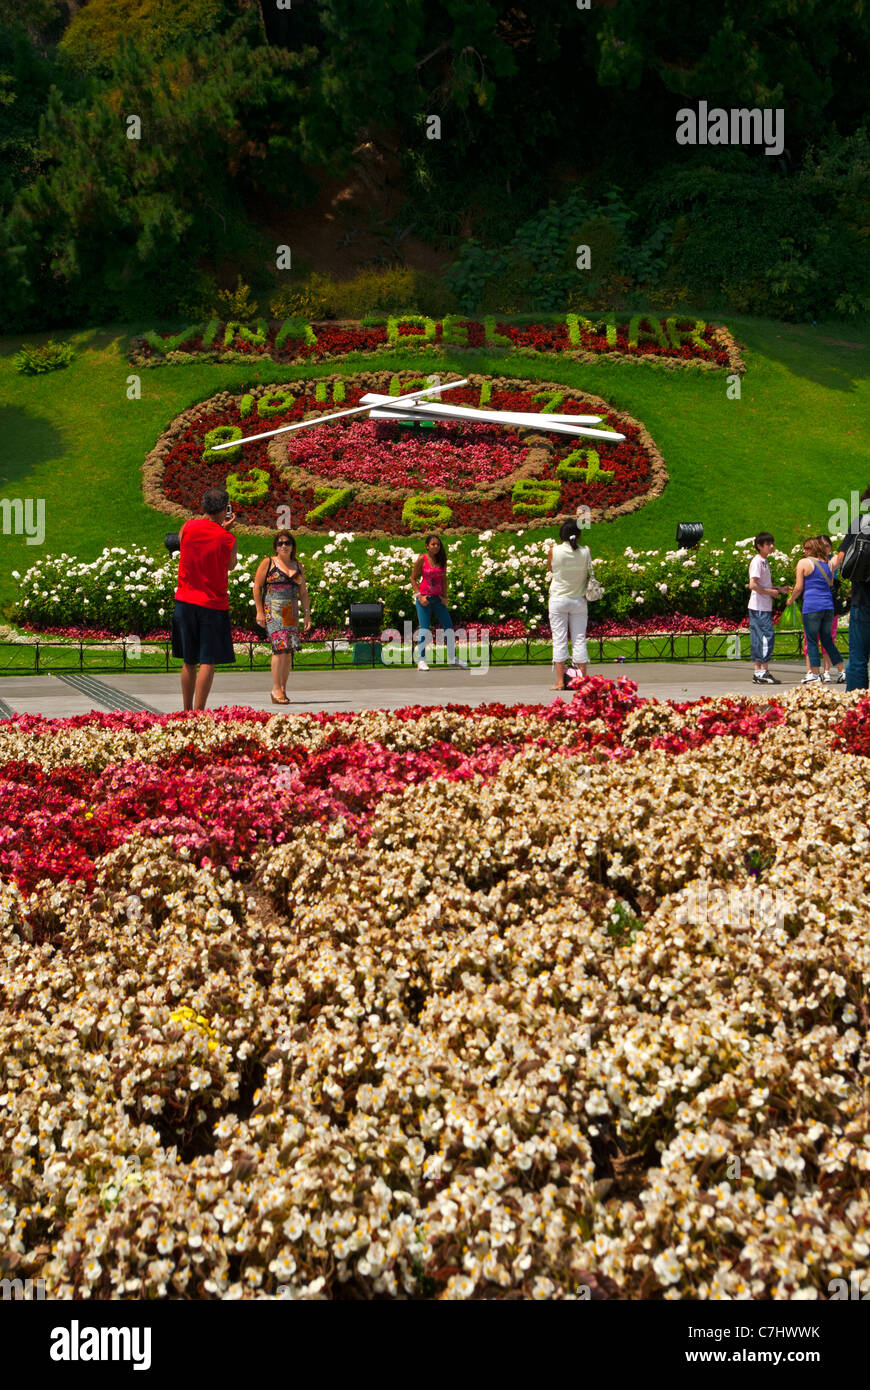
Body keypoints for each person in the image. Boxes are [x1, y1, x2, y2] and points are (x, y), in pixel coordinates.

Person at [172, 487, 238, 711]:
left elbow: (182, 543)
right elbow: (230, 565)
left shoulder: (187, 527)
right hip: (212, 604)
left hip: (184, 600)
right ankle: (199, 714)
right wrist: (224, 530)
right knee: (207, 660)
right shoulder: (227, 538)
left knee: (189, 661)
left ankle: (186, 709)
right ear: (224, 510)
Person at [253, 531, 312, 704]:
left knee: (287, 651)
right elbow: (257, 587)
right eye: (280, 543)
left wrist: (307, 614)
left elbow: (303, 592)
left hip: (291, 611)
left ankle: (283, 688)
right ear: (275, 547)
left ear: (293, 546)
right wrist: (259, 611)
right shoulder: (268, 563)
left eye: (287, 543)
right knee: (279, 648)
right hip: (273, 609)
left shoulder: (298, 566)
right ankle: (276, 688)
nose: (284, 546)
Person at [785, 536, 846, 685]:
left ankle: (814, 673)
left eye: (807, 548)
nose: (804, 551)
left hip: (812, 606)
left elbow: (799, 587)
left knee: (812, 640)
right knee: (827, 640)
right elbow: (829, 583)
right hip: (828, 607)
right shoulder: (826, 565)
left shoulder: (803, 563)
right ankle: (842, 670)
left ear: (813, 548)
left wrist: (790, 600)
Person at [547, 518, 592, 691]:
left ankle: (560, 681)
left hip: (558, 599)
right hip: (579, 600)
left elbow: (550, 569)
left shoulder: (554, 551)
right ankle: (583, 681)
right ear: (578, 534)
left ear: (561, 534)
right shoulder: (586, 551)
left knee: (559, 640)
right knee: (579, 639)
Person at [411, 534, 466, 670]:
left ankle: (452, 658)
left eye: (438, 544)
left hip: (438, 599)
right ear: (427, 546)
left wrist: (445, 597)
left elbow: (443, 580)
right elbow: (412, 578)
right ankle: (421, 661)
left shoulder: (442, 560)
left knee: (448, 627)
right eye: (433, 544)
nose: (436, 546)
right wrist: (419, 596)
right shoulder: (422, 559)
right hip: (424, 599)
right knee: (424, 629)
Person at [835, 483, 870, 692]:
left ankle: (857, 712)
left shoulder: (859, 523)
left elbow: (841, 559)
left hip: (863, 600)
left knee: (857, 659)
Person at [747, 532, 788, 685]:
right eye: (768, 544)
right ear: (759, 546)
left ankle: (759, 671)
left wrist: (779, 589)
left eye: (772, 543)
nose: (771, 547)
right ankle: (762, 671)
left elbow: (762, 584)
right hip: (759, 607)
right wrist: (771, 592)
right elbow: (753, 585)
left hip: (762, 606)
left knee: (760, 637)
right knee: (765, 637)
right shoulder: (757, 561)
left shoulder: (764, 561)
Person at [801, 536, 842, 681]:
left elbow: (840, 557)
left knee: (823, 639)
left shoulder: (828, 562)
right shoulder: (820, 562)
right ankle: (813, 671)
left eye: (827, 546)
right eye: (821, 546)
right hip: (826, 605)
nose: (824, 548)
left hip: (818, 605)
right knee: (816, 639)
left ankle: (823, 671)